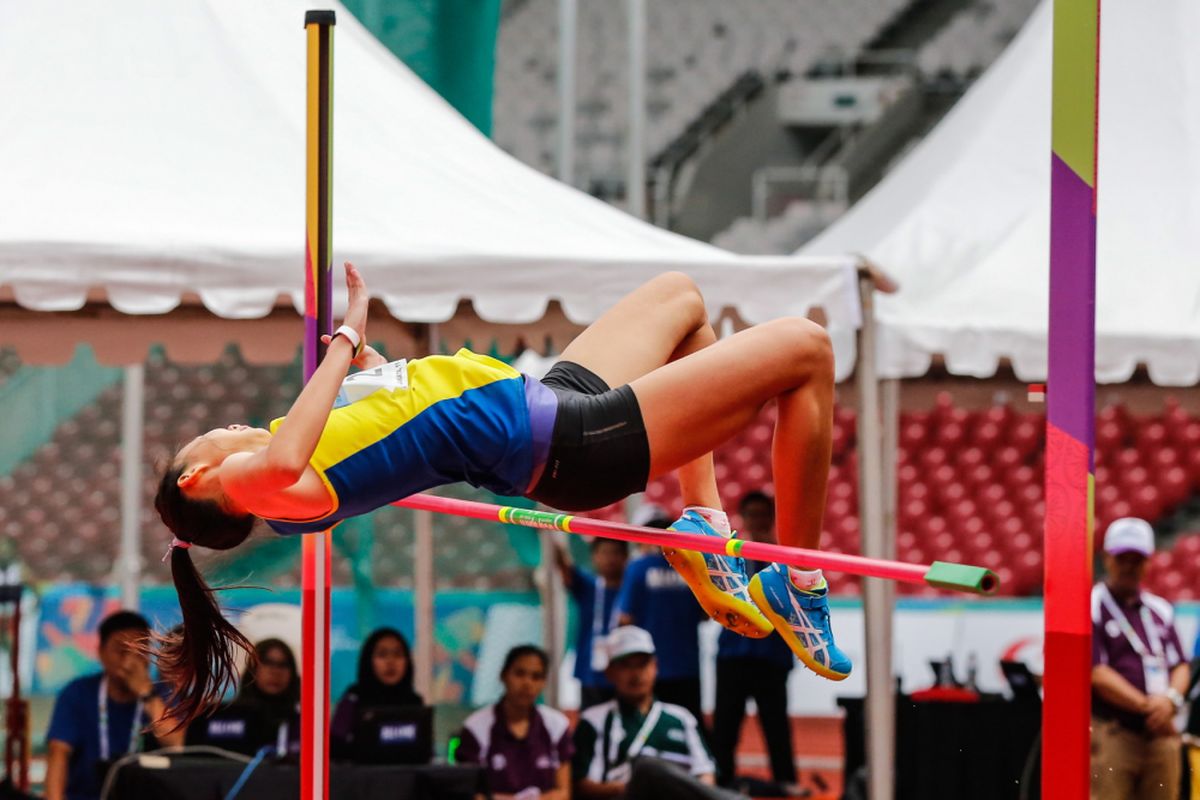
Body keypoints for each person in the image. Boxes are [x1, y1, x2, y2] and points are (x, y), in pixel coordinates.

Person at [154, 264, 849, 724]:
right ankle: (799, 578)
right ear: (198, 478)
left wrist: (371, 370)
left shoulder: (298, 467)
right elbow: (283, 455)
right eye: (212, 433)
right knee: (808, 349)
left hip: (544, 402)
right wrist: (343, 339)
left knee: (683, 305)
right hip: (572, 444)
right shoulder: (268, 482)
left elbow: (394, 430)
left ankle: (703, 524)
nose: (228, 426)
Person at [1091, 518, 1189, 800]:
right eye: (1123, 558)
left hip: (1161, 735)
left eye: (1137, 559)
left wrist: (1169, 699)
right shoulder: (1093, 605)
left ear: (1149, 562)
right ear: (1107, 558)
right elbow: (1096, 672)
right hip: (1115, 732)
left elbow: (1180, 665)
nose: (1130, 566)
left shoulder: (1160, 610)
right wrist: (1151, 707)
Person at [44, 611, 183, 800]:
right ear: (101, 652)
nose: (130, 662)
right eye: (121, 651)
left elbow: (178, 744)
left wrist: (145, 692)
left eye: (141, 650)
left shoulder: (164, 695)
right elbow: (58, 754)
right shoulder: (78, 693)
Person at [711, 491, 798, 793]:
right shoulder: (729, 553)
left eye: (763, 515)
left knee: (776, 724)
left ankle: (785, 781)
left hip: (771, 655)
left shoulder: (786, 557)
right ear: (744, 518)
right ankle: (720, 780)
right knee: (725, 724)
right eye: (752, 515)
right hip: (733, 653)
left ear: (771, 518)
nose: (757, 520)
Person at [573, 626, 717, 799]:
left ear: (655, 667)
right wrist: (631, 790)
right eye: (626, 666)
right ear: (610, 672)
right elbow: (579, 784)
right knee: (648, 769)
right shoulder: (593, 720)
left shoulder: (681, 718)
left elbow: (706, 773)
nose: (636, 674)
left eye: (642, 664)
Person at [615, 513, 709, 724]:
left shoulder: (637, 568)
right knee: (688, 727)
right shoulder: (691, 568)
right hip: (686, 664)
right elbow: (705, 615)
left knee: (645, 726)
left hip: (646, 667)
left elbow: (625, 618)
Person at [456, 645, 572, 800]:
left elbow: (564, 792)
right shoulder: (475, 726)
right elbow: (472, 794)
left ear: (544, 683)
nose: (527, 683)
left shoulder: (557, 725)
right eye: (519, 674)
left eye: (536, 677)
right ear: (503, 676)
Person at [555, 536, 629, 709]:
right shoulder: (589, 586)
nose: (610, 558)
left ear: (625, 556)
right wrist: (551, 531)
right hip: (590, 673)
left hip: (624, 673)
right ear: (594, 557)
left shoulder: (633, 588)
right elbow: (564, 565)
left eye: (616, 553)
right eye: (604, 552)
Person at [331, 627, 424, 759]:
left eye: (397, 654)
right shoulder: (354, 697)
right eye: (382, 654)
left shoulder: (414, 702)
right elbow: (335, 745)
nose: (390, 662)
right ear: (369, 660)